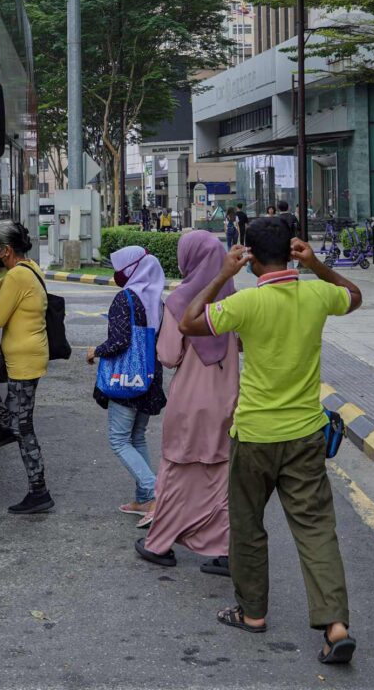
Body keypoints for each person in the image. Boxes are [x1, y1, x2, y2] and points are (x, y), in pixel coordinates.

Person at [179, 216, 362, 666]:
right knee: (316, 529)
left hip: (255, 434)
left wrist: (222, 275)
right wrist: (318, 265)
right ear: (293, 250)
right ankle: (335, 625)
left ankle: (253, 613)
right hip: (305, 434)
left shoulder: (246, 304)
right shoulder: (318, 294)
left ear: (251, 259)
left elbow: (188, 321)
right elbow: (354, 296)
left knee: (247, 526)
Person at [134, 229, 241, 576]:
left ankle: (159, 543)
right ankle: (223, 549)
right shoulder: (233, 297)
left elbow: (167, 354)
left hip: (190, 399)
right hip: (228, 396)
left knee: (176, 471)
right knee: (219, 472)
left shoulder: (180, 301)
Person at [0, 220, 54, 515]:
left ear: (6, 250)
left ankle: (39, 491)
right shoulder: (27, 268)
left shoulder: (19, 276)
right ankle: (5, 424)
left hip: (24, 360)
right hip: (27, 356)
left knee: (24, 427)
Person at [87, 245, 168, 519]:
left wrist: (94, 351)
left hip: (127, 378)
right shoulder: (157, 298)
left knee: (119, 439)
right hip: (149, 375)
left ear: (132, 269)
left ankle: (155, 492)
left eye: (119, 268)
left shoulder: (126, 298)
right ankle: (145, 500)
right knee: (137, 436)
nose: (117, 274)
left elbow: (120, 341)